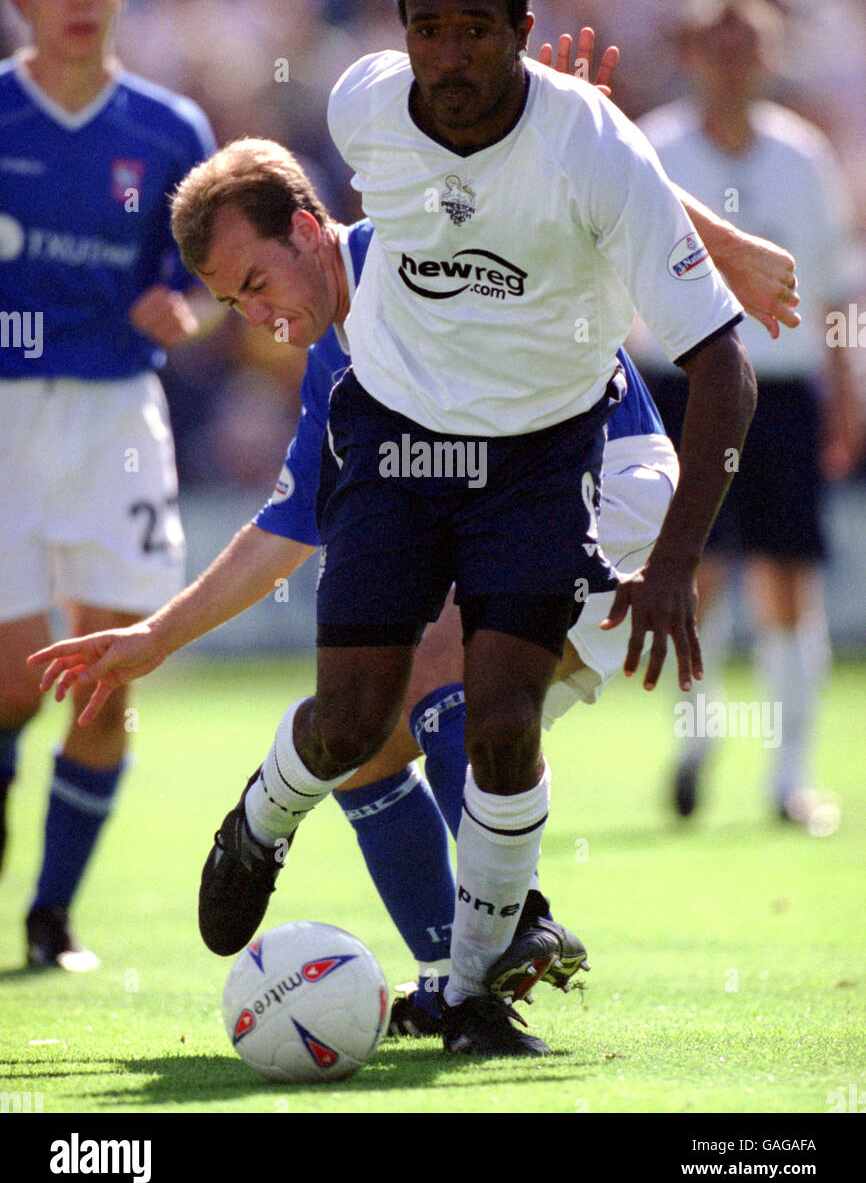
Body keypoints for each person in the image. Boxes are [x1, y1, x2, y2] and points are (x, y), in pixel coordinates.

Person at [30, 119, 795, 1033]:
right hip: (519, 517)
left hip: (611, 486)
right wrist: (156, 637)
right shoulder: (334, 355)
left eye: (257, 283)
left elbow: (581, 177)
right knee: (371, 732)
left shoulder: (424, 233)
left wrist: (730, 247)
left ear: (310, 232)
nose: (257, 318)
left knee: (434, 657)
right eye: (233, 304)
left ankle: (502, 928)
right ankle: (464, 983)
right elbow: (286, 528)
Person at [203, 0, 757, 1060]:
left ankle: (466, 988)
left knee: (499, 721)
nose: (446, 55)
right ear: (400, 40)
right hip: (397, 439)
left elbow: (722, 362)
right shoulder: (363, 105)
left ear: (522, 39)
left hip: (542, 458)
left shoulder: (590, 146)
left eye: (472, 31)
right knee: (357, 724)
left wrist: (675, 563)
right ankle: (260, 820)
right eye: (425, 31)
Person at [0, 0, 216, 969]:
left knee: (105, 672)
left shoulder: (170, 130)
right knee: (7, 681)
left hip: (117, 414)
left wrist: (189, 305)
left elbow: (213, 273)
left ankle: (50, 915)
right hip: (3, 413)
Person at [635, 0, 863, 829]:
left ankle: (787, 779)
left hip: (784, 391)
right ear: (692, 57)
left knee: (788, 582)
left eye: (748, 50)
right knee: (696, 575)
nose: (733, 67)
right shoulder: (653, 150)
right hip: (685, 384)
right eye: (717, 49)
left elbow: (834, 287)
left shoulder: (803, 158)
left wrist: (844, 392)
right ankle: (696, 744)